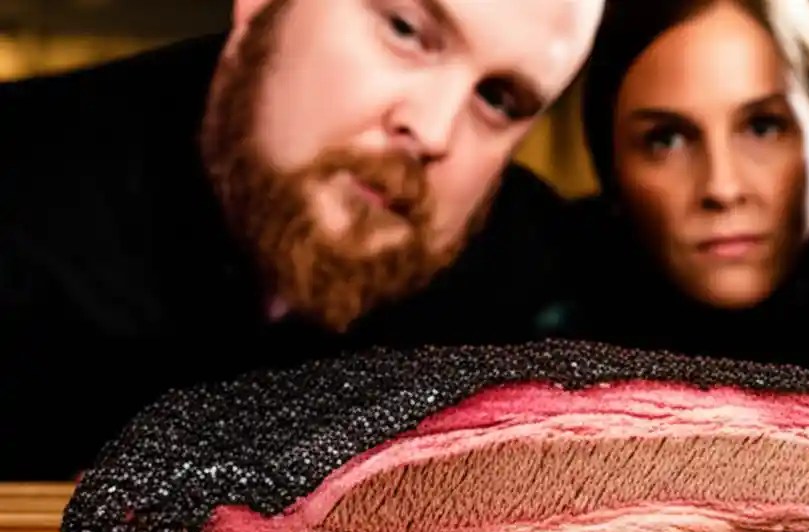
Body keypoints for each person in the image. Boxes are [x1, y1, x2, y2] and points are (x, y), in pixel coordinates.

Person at [0, 0, 605, 480]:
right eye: (405, 30)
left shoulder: (543, 291)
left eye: (498, 100)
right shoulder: (29, 181)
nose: (433, 129)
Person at [556, 0, 809, 369]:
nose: (722, 188)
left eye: (763, 127)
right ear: (609, 166)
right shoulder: (533, 286)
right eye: (666, 140)